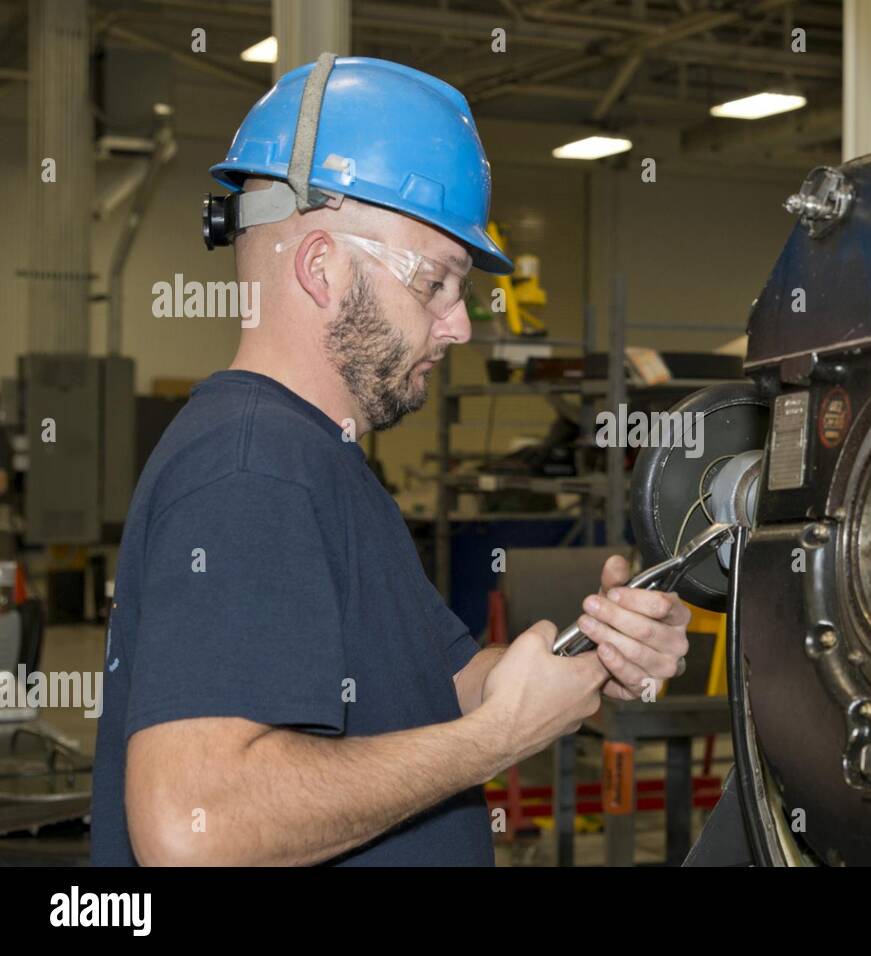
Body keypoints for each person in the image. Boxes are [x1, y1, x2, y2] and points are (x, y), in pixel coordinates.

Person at [91, 56, 689, 866]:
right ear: (322, 270)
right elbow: (194, 827)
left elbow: (426, 691)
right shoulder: (250, 469)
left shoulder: (325, 462)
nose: (459, 327)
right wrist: (497, 737)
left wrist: (581, 660)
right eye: (436, 283)